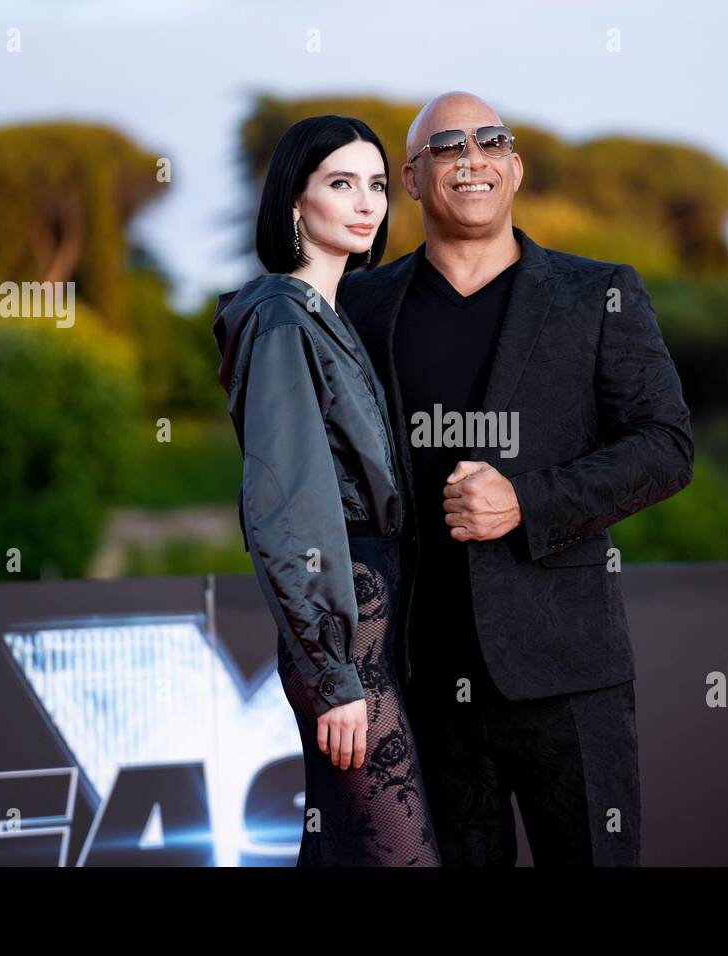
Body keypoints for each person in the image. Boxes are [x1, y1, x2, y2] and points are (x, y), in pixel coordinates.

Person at [338, 92, 694, 865]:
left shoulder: (597, 293)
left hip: (569, 676)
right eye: (448, 146)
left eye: (491, 140)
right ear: (410, 178)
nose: (472, 157)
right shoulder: (360, 306)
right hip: (422, 682)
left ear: (515, 167)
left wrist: (526, 501)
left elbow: (667, 447)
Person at [212, 115, 441, 866]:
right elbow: (285, 508)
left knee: (347, 852)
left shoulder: (324, 314)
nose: (367, 202)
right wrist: (337, 674)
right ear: (293, 204)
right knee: (399, 856)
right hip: (343, 642)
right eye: (341, 184)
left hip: (361, 632)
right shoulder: (281, 318)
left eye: (376, 184)